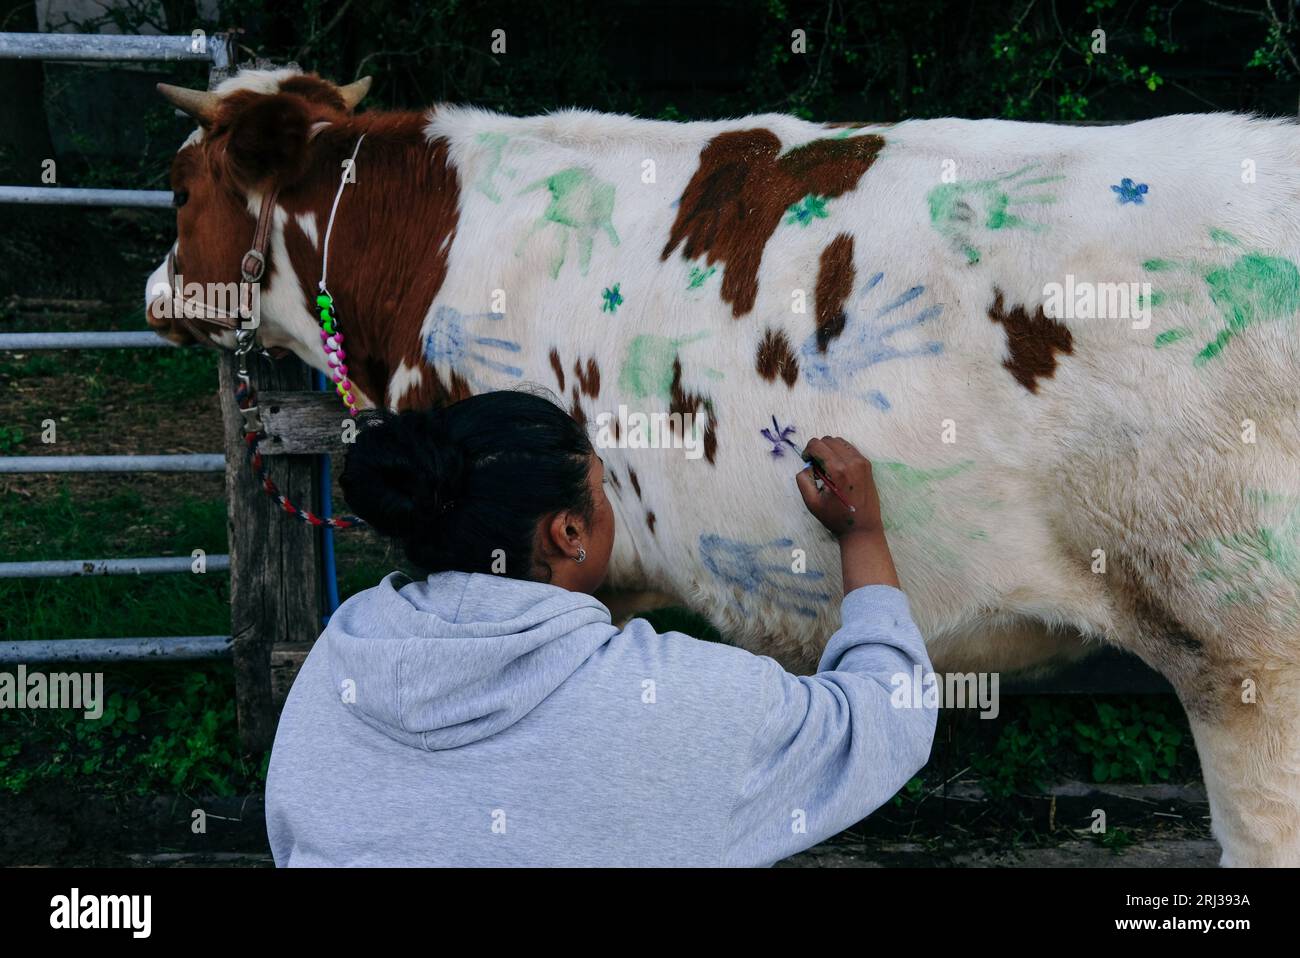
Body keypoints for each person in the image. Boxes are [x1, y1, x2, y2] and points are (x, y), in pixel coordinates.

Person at [265, 389, 937, 866]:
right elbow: (884, 719)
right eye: (604, 485)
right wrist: (864, 534)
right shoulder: (678, 701)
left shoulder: (340, 664)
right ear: (569, 534)